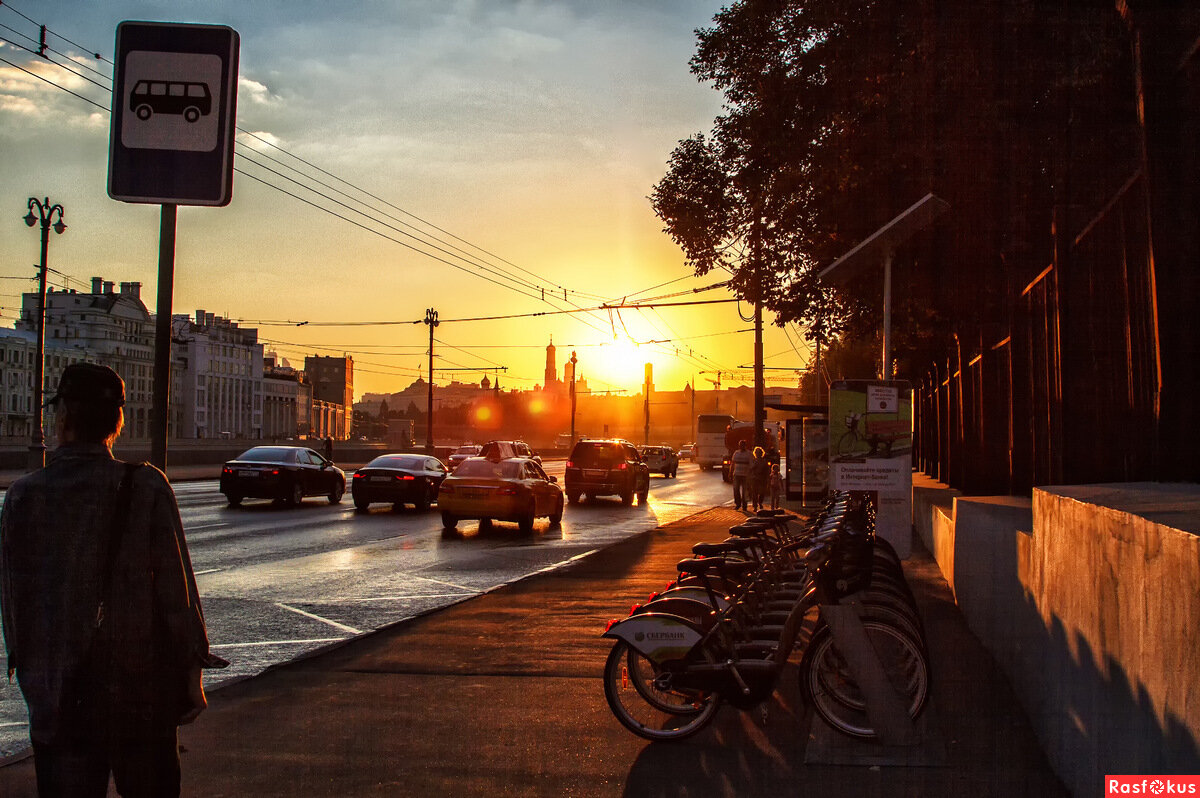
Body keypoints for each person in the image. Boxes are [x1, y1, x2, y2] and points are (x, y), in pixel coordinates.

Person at [0, 363, 224, 798]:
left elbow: (14, 604)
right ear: (118, 422)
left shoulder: (25, 496)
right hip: (140, 694)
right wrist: (191, 676)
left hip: (61, 697)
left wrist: (38, 688)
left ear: (61, 417)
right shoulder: (145, 487)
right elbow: (177, 595)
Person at [730, 440, 752, 511]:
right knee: (736, 489)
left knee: (745, 491)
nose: (741, 446)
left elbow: (751, 464)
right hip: (737, 474)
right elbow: (732, 463)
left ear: (745, 446)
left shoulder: (749, 454)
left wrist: (751, 473)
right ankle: (738, 504)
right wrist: (730, 472)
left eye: (742, 445)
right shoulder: (736, 453)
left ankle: (744, 505)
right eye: (740, 445)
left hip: (745, 475)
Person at [749, 446, 769, 512]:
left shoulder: (764, 461)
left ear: (761, 453)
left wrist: (767, 479)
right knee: (755, 493)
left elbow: (767, 471)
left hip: (762, 478)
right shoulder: (753, 460)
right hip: (754, 478)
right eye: (757, 452)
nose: (758, 454)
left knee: (762, 492)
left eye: (759, 453)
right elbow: (751, 469)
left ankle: (760, 503)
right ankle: (755, 506)